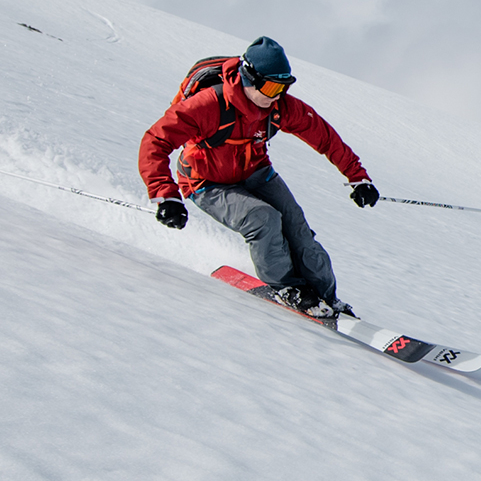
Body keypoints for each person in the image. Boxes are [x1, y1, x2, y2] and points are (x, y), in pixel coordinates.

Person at [139, 36, 380, 317]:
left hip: (255, 172)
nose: (278, 94)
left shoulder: (279, 106)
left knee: (296, 225)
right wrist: (166, 195)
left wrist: (358, 177)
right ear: (247, 77)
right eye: (271, 86)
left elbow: (324, 137)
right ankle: (287, 288)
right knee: (262, 218)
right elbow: (155, 140)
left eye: (284, 86)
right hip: (207, 182)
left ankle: (327, 296)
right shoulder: (209, 105)